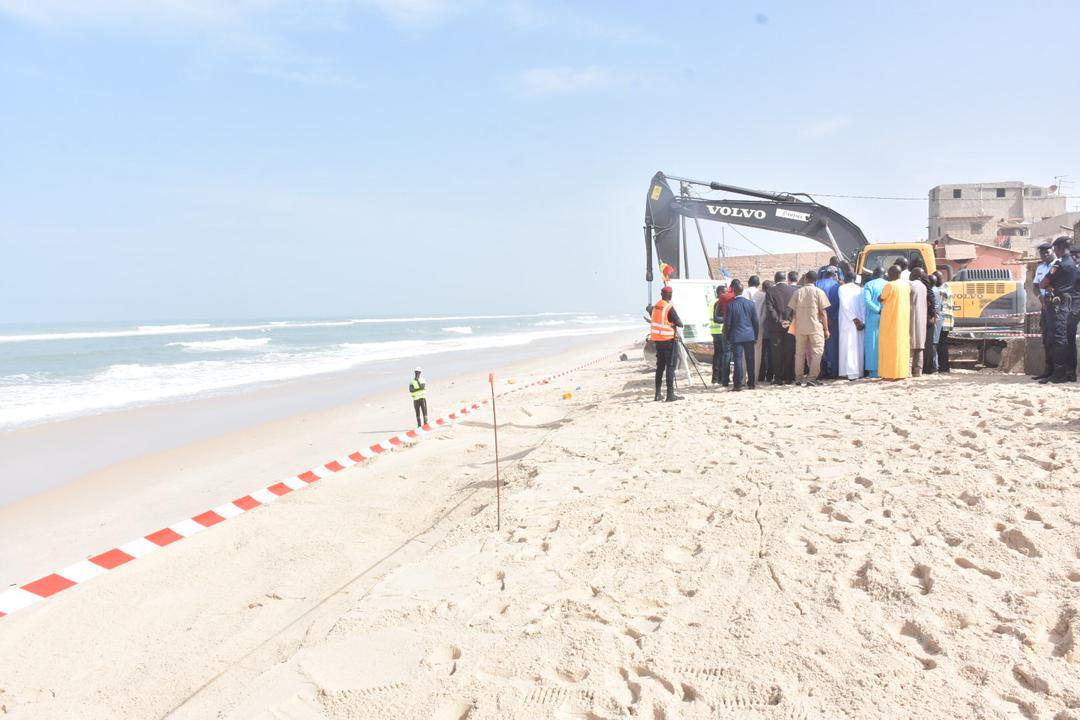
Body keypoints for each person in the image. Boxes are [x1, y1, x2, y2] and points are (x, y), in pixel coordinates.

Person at [1038, 236, 1079, 383]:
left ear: (1060, 247)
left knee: (1058, 339)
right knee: (1066, 339)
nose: (1054, 250)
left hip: (1059, 305)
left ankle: (1059, 373)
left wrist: (1050, 286)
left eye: (1055, 248)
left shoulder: (1060, 264)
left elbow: (1042, 284)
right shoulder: (1073, 264)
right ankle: (1066, 373)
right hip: (1068, 304)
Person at [788, 270, 830, 386]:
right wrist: (826, 329)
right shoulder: (819, 292)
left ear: (805, 279)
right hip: (815, 327)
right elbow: (823, 313)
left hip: (800, 327)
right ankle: (812, 377)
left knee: (799, 354)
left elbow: (793, 312)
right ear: (815, 280)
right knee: (817, 352)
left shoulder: (798, 292)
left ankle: (798, 378)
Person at [723, 278, 759, 391]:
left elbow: (727, 324)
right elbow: (755, 322)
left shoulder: (731, 305)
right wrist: (756, 335)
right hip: (749, 335)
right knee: (750, 359)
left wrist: (727, 336)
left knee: (738, 360)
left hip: (736, 336)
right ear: (743, 291)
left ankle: (737, 384)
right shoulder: (751, 304)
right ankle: (751, 383)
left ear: (734, 291)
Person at [650, 285, 685, 400]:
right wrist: (673, 324)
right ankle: (670, 394)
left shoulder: (656, 306)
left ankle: (657, 394)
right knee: (670, 366)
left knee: (660, 367)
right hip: (668, 341)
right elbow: (680, 323)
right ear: (669, 295)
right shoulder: (668, 307)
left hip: (658, 340)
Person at [879, 265, 912, 380]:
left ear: (892, 273)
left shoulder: (890, 285)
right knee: (902, 346)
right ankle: (902, 372)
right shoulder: (906, 285)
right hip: (903, 320)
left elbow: (881, 298)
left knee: (889, 347)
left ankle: (890, 374)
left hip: (890, 321)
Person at [765, 270, 797, 385]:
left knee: (776, 353)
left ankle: (778, 378)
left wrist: (779, 321)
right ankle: (789, 377)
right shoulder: (793, 291)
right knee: (790, 351)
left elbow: (770, 309)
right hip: (790, 325)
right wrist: (788, 321)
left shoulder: (770, 291)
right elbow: (795, 309)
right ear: (785, 279)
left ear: (775, 279)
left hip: (775, 327)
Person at [1033, 243, 1056, 380]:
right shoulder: (1040, 267)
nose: (1045, 255)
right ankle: (1047, 370)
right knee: (1046, 338)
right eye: (1042, 253)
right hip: (1044, 306)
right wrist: (1039, 297)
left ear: (1052, 251)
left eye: (1047, 252)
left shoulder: (1058, 265)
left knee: (1055, 339)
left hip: (1056, 306)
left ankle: (1056, 371)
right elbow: (1036, 286)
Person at [837, 271, 866, 380]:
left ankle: (849, 373)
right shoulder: (860, 289)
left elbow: (845, 306)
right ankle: (857, 372)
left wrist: (854, 319)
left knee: (848, 346)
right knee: (857, 347)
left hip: (849, 321)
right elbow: (863, 307)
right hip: (859, 323)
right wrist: (862, 321)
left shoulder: (842, 288)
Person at [814, 269, 841, 379]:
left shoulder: (817, 284)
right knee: (833, 346)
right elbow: (840, 304)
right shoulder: (837, 285)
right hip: (833, 320)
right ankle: (833, 372)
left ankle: (821, 372)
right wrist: (832, 318)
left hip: (819, 319)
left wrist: (820, 318)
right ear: (834, 275)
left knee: (819, 346)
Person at [863, 267, 887, 378]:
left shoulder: (869, 285)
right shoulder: (888, 284)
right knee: (884, 343)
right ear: (884, 274)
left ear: (874, 274)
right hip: (887, 317)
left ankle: (874, 372)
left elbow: (867, 301)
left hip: (873, 316)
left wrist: (878, 310)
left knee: (872, 344)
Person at [710, 283, 735, 386]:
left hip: (715, 331)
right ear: (720, 293)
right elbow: (717, 318)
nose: (726, 293)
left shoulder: (713, 302)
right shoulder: (718, 303)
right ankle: (720, 378)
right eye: (724, 291)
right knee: (722, 355)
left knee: (718, 356)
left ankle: (716, 378)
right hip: (720, 331)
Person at [745, 275, 767, 380]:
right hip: (758, 326)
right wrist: (760, 324)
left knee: (743, 353)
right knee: (757, 353)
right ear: (758, 284)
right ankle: (753, 378)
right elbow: (764, 313)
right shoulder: (762, 295)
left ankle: (741, 378)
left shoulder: (743, 292)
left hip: (744, 327)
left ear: (748, 282)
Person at [909, 267, 929, 376]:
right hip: (922, 317)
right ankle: (918, 371)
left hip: (913, 316)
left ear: (915, 274)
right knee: (920, 345)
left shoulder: (911, 285)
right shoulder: (924, 287)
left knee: (911, 344)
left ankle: (908, 370)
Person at [758, 279, 774, 383]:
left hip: (761, 330)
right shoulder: (772, 297)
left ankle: (761, 375)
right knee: (771, 354)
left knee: (761, 354)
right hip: (771, 330)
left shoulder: (758, 296)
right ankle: (770, 375)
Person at [936, 272, 952, 373]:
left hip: (942, 320)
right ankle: (945, 367)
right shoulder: (947, 287)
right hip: (948, 321)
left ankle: (943, 367)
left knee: (940, 344)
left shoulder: (940, 290)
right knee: (943, 344)